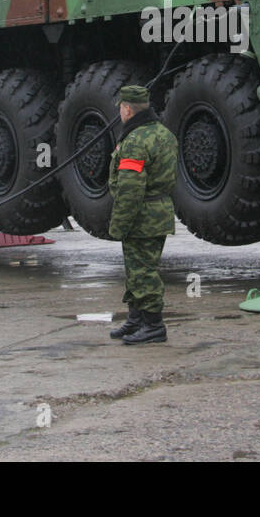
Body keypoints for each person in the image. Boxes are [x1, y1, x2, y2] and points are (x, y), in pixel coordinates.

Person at [107, 85, 177, 345]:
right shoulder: (163, 134)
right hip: (157, 211)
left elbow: (130, 187)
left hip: (142, 215)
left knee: (143, 272)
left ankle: (153, 326)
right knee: (135, 269)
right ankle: (136, 319)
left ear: (127, 109)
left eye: (121, 109)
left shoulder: (136, 140)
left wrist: (119, 224)